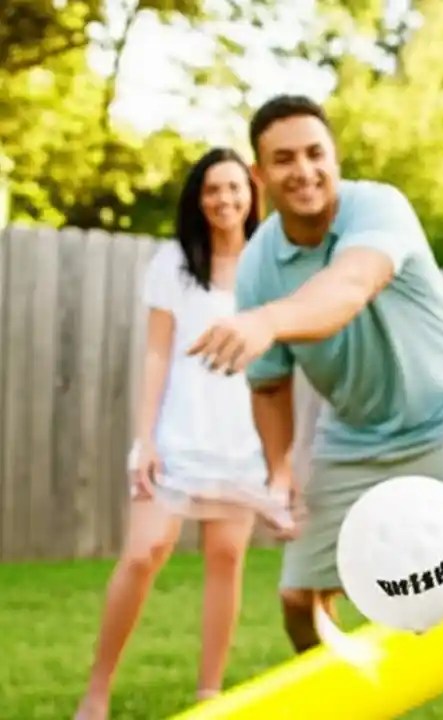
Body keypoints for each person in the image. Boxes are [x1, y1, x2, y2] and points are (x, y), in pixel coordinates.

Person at [187, 94, 443, 720]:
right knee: (299, 598)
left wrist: (267, 319)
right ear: (261, 176)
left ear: (336, 158)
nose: (304, 170)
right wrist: (281, 471)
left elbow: (347, 289)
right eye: (284, 159)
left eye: (316, 154)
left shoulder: (378, 208)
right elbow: (267, 385)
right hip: (354, 439)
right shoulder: (262, 260)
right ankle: (357, 706)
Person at [76, 148, 274, 719]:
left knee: (226, 558)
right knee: (143, 553)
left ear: (252, 193)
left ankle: (210, 694)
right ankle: (97, 691)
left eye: (234, 188)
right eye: (212, 190)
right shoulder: (173, 263)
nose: (224, 200)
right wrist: (146, 440)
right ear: (198, 198)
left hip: (242, 440)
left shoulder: (270, 265)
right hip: (178, 435)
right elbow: (158, 354)